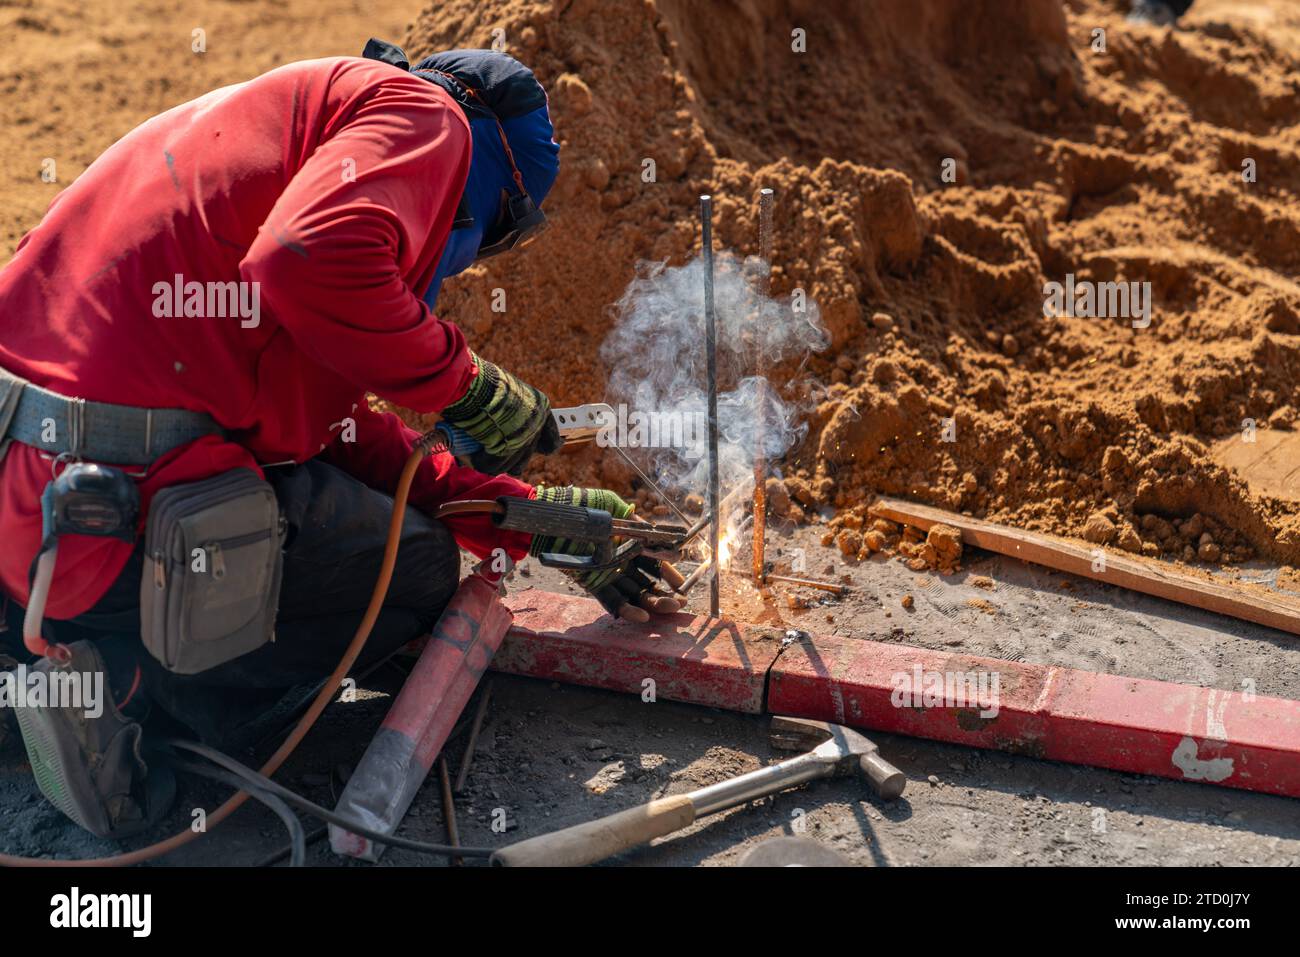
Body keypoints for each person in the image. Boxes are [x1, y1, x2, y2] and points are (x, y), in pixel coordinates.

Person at [0, 40, 681, 839]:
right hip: (109, 515)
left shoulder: (267, 126)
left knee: (361, 519)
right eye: (494, 236)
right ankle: (128, 698)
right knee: (417, 569)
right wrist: (468, 384)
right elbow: (307, 259)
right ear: (493, 189)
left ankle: (31, 658)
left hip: (27, 500)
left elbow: (332, 434)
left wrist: (524, 513)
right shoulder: (433, 121)